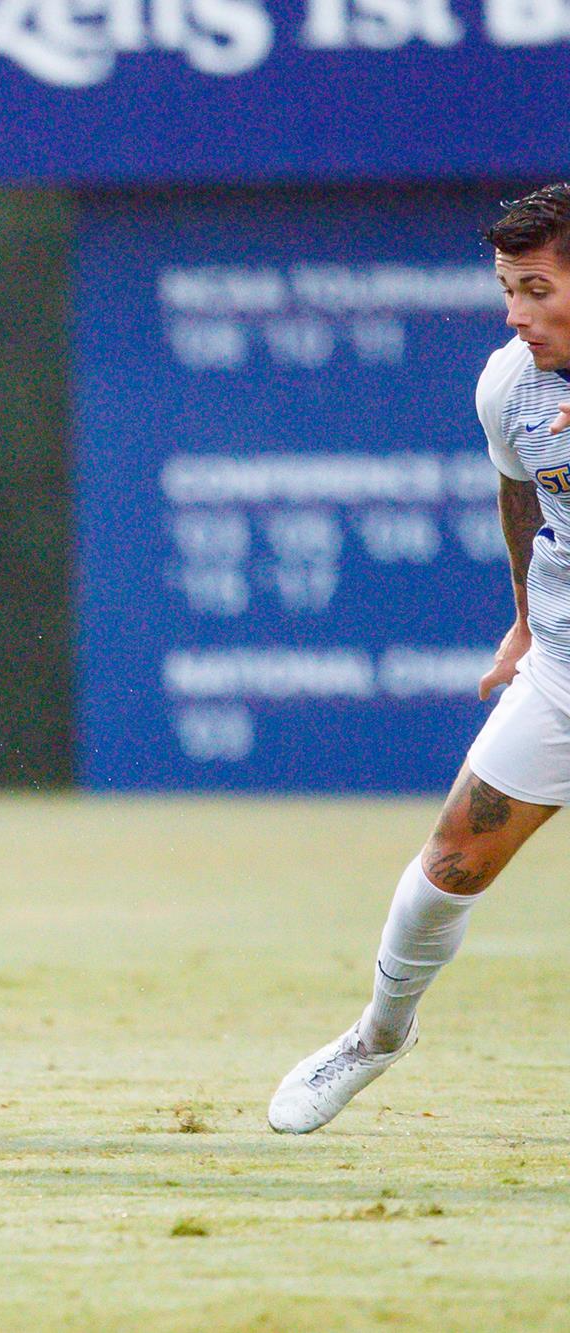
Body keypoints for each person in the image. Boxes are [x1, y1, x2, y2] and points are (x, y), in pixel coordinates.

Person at [269, 183, 570, 1134]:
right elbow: (521, 493)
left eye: (537, 290)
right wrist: (524, 621)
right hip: (565, 670)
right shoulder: (511, 387)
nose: (516, 314)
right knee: (450, 862)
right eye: (508, 290)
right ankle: (376, 1035)